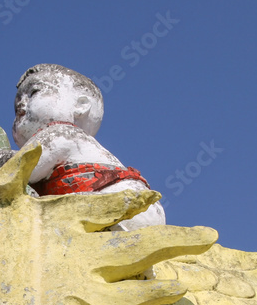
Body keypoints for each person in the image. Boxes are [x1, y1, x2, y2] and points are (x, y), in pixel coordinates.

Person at [13, 64, 165, 230]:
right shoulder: (75, 139)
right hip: (139, 210)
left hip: (120, 203)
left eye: (34, 92)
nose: (22, 103)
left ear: (81, 105)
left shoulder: (61, 133)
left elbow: (19, 170)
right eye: (16, 103)